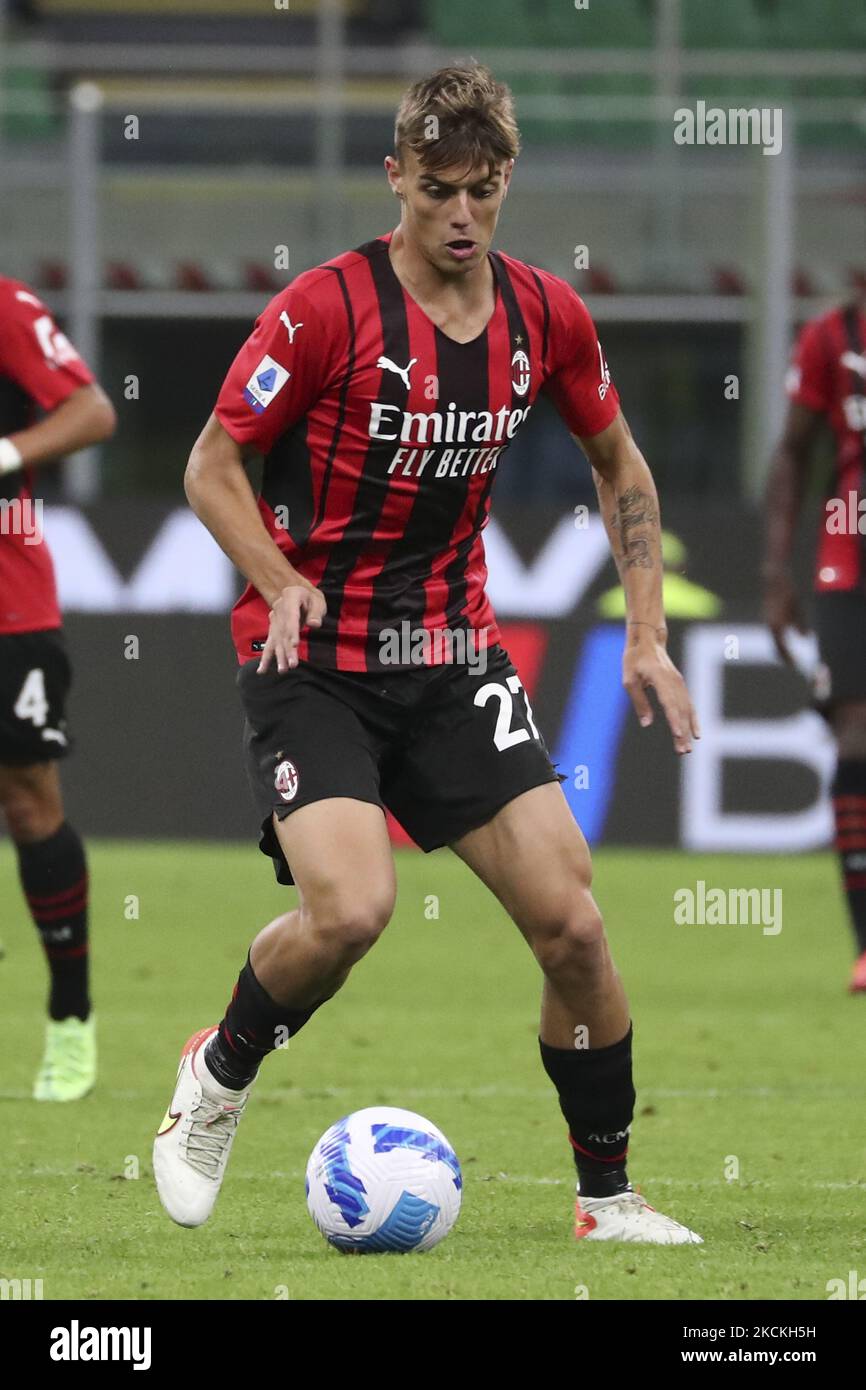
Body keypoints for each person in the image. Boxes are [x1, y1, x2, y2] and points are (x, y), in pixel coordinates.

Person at [154, 63, 702, 1244]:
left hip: (450, 654)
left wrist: (647, 631)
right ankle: (218, 1073)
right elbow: (210, 464)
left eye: (483, 190)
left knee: (575, 926)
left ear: (507, 181)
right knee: (350, 911)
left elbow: (619, 469)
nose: (460, 215)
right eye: (437, 188)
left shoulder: (545, 314)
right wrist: (280, 577)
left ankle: (604, 1199)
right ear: (394, 175)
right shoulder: (321, 310)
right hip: (315, 654)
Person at [0, 275, 116, 1098]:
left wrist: (6, 452)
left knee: (31, 802)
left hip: (9, 606)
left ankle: (71, 1019)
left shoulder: (7, 306)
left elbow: (93, 411)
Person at [764, 286, 866, 993]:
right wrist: (776, 570)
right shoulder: (834, 334)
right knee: (856, 737)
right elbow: (793, 450)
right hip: (851, 554)